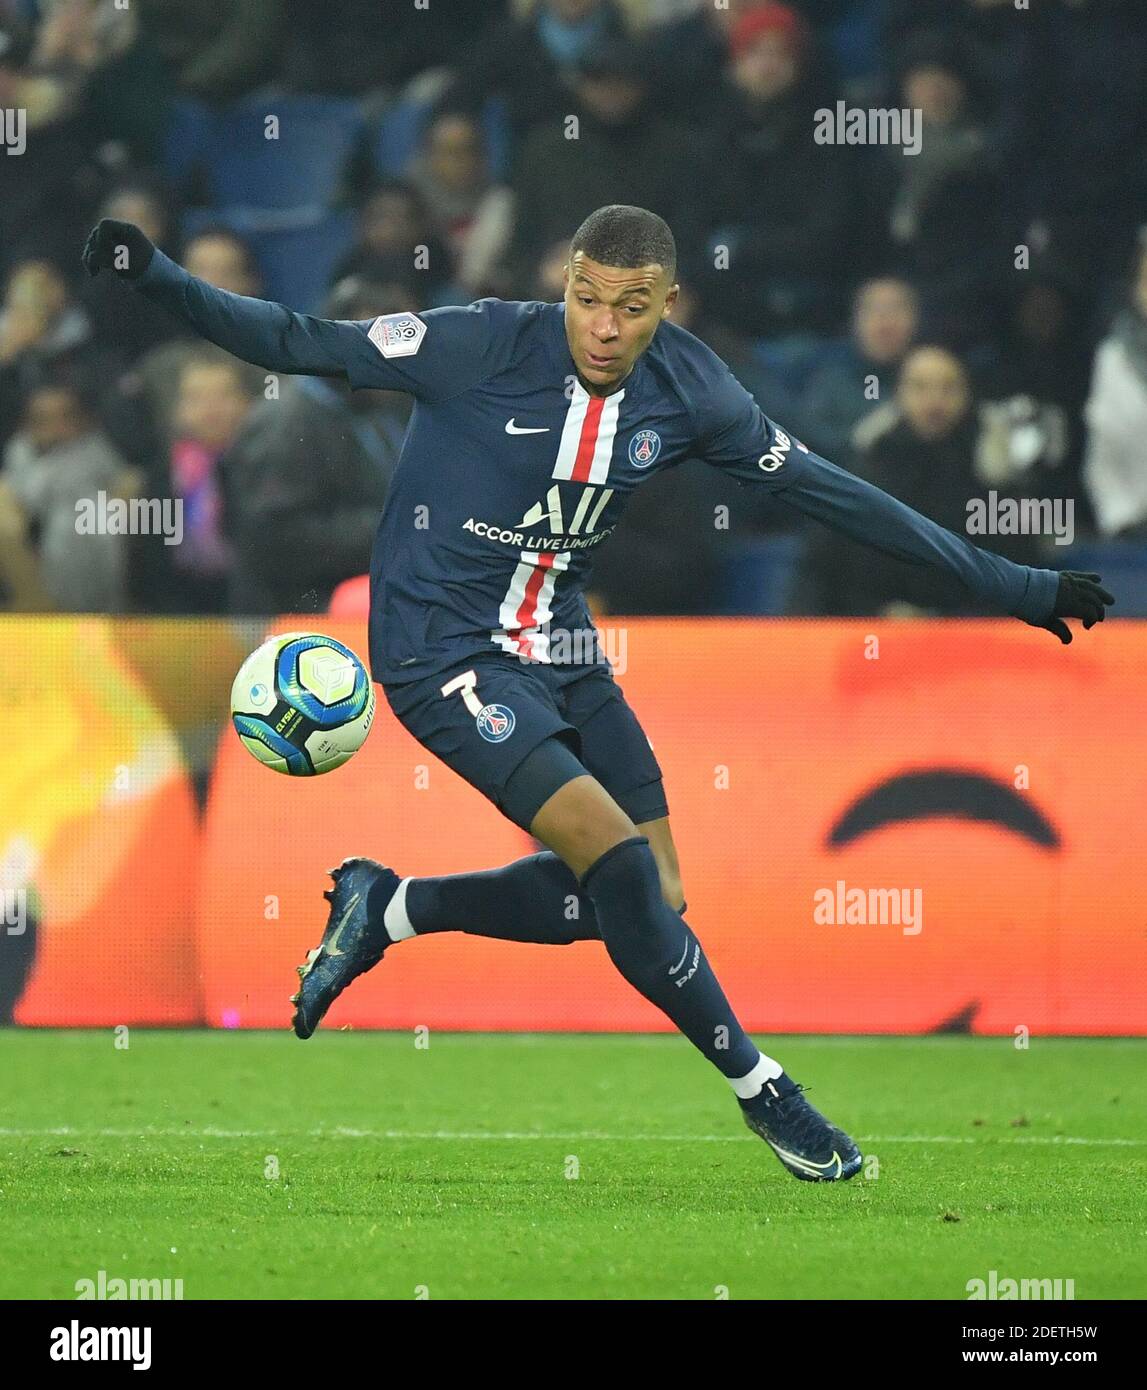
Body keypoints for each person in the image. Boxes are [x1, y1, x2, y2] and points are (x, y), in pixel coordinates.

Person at [82, 204, 1112, 1184]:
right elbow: (298, 338)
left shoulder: (694, 392)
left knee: (648, 899)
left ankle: (390, 906)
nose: (606, 327)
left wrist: (1010, 585)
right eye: (587, 298)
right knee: (614, 860)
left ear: (669, 305)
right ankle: (765, 1089)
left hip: (562, 645)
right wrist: (157, 276)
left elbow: (833, 494)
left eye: (632, 305)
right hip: (440, 649)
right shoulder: (474, 342)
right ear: (563, 285)